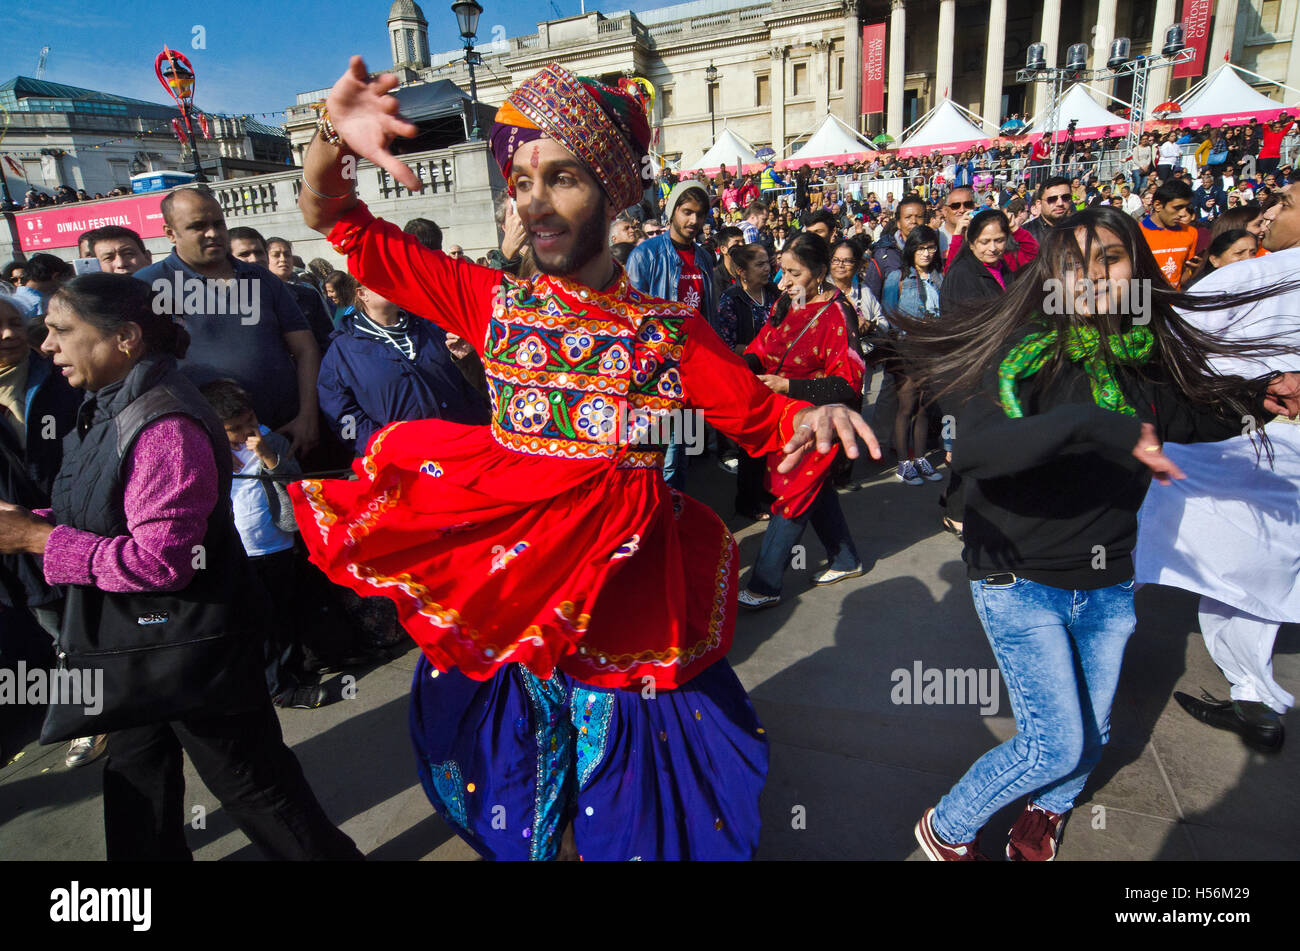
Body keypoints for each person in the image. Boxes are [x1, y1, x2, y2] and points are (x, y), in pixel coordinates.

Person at [291, 57, 878, 861]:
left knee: (632, 790)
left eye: (562, 177)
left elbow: (761, 417)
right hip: (513, 591)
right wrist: (333, 136)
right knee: (524, 782)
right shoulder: (488, 301)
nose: (536, 201)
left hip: (624, 600)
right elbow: (341, 221)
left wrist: (816, 410)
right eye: (523, 182)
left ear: (612, 189)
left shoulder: (669, 331)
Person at [900, 205, 1300, 860]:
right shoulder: (1019, 347)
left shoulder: (1140, 350)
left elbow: (1181, 416)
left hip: (1109, 578)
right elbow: (979, 446)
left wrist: (1258, 398)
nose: (1092, 275)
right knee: (1055, 739)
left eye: (1110, 258)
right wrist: (1086, 424)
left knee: (1095, 728)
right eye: (1075, 261)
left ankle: (1049, 806)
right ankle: (948, 827)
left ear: (1135, 269)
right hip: (1019, 577)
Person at [0, 272, 363, 860]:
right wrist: (30, 519)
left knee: (258, 790)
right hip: (133, 648)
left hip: (193, 650)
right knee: (137, 788)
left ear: (125, 338)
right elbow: (106, 508)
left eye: (63, 331)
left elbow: (159, 562)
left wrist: (38, 538)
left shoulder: (165, 424)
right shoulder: (111, 403)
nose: (47, 346)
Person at [1137, 184, 1300, 752]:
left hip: (1245, 449)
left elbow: (1170, 345)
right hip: (1247, 444)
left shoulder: (1252, 279)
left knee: (1235, 558)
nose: (1269, 215)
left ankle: (1250, 691)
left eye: (1287, 202)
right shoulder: (1251, 276)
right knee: (1263, 563)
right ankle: (1251, 692)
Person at [134, 189, 322, 458]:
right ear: (170, 233)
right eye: (198, 226)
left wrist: (308, 416)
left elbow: (306, 349)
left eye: (218, 223)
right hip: (204, 445)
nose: (212, 233)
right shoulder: (148, 285)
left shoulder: (263, 278)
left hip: (285, 435)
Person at [737, 233, 868, 608]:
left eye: (794, 272)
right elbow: (763, 346)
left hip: (817, 422)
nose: (784, 281)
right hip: (780, 415)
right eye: (782, 271)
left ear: (820, 272)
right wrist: (739, 366)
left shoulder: (838, 315)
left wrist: (788, 384)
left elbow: (847, 382)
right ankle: (845, 559)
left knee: (792, 497)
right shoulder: (790, 300)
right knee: (814, 488)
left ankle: (764, 585)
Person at [198, 378, 326, 710]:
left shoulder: (272, 442)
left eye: (248, 422)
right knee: (262, 625)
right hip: (240, 553)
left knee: (284, 615)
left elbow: (297, 488)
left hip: (276, 546)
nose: (244, 433)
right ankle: (279, 687)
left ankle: (293, 673)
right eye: (233, 429)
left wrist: (269, 457)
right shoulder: (208, 453)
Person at [0, 297, 90, 766]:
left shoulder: (60, 375)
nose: (8, 334)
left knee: (99, 621)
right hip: (13, 544)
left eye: (15, 323)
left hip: (78, 523)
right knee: (58, 630)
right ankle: (92, 718)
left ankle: (127, 711)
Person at [317, 281, 489, 454]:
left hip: (468, 447)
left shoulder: (433, 327)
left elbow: (477, 388)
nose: (398, 283)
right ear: (362, 294)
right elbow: (340, 413)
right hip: (406, 464)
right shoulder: (341, 351)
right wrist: (375, 445)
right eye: (386, 280)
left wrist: (467, 360)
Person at [626, 181, 717, 492]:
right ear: (673, 211)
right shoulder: (646, 254)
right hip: (655, 369)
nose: (693, 221)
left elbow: (709, 313)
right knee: (656, 448)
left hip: (693, 365)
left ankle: (675, 511)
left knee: (681, 449)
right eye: (687, 212)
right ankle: (657, 516)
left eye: (700, 214)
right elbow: (630, 313)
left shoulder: (705, 259)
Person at [715, 243, 781, 520]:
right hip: (746, 380)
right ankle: (747, 503)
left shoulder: (775, 294)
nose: (767, 269)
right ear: (741, 271)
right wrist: (761, 348)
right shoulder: (731, 299)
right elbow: (727, 345)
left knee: (776, 440)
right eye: (760, 264)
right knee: (752, 445)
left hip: (776, 379)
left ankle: (770, 490)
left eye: (768, 263)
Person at [883, 227, 945, 487]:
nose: (926, 253)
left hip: (930, 350)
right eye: (921, 248)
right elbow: (887, 315)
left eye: (931, 247)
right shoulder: (897, 277)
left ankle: (920, 458)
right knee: (906, 406)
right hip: (905, 349)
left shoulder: (939, 277)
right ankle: (903, 463)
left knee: (923, 407)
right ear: (911, 250)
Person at [261, 234, 335, 351]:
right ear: (265, 259)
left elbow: (326, 332)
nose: (283, 259)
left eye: (287, 254)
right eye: (276, 255)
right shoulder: (258, 292)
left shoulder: (309, 291)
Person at [1140, 178, 1201, 289]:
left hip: (1175, 302)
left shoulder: (1190, 233)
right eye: (1177, 208)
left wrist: (1193, 270)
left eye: (1186, 207)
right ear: (1158, 205)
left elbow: (1181, 278)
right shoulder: (1136, 233)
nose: (1183, 213)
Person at [865, 195, 927, 300]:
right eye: (908, 217)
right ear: (898, 223)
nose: (914, 221)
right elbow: (871, 297)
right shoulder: (883, 254)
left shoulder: (933, 249)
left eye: (919, 217)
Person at [1185, 229, 1258, 287]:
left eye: (1253, 253)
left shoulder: (1260, 282)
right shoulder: (1199, 290)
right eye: (1239, 253)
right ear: (1214, 260)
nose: (1249, 259)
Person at [1023, 176, 1075, 244]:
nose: (1060, 203)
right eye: (1052, 199)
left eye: (1065, 197)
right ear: (1039, 204)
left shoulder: (1080, 231)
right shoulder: (1024, 235)